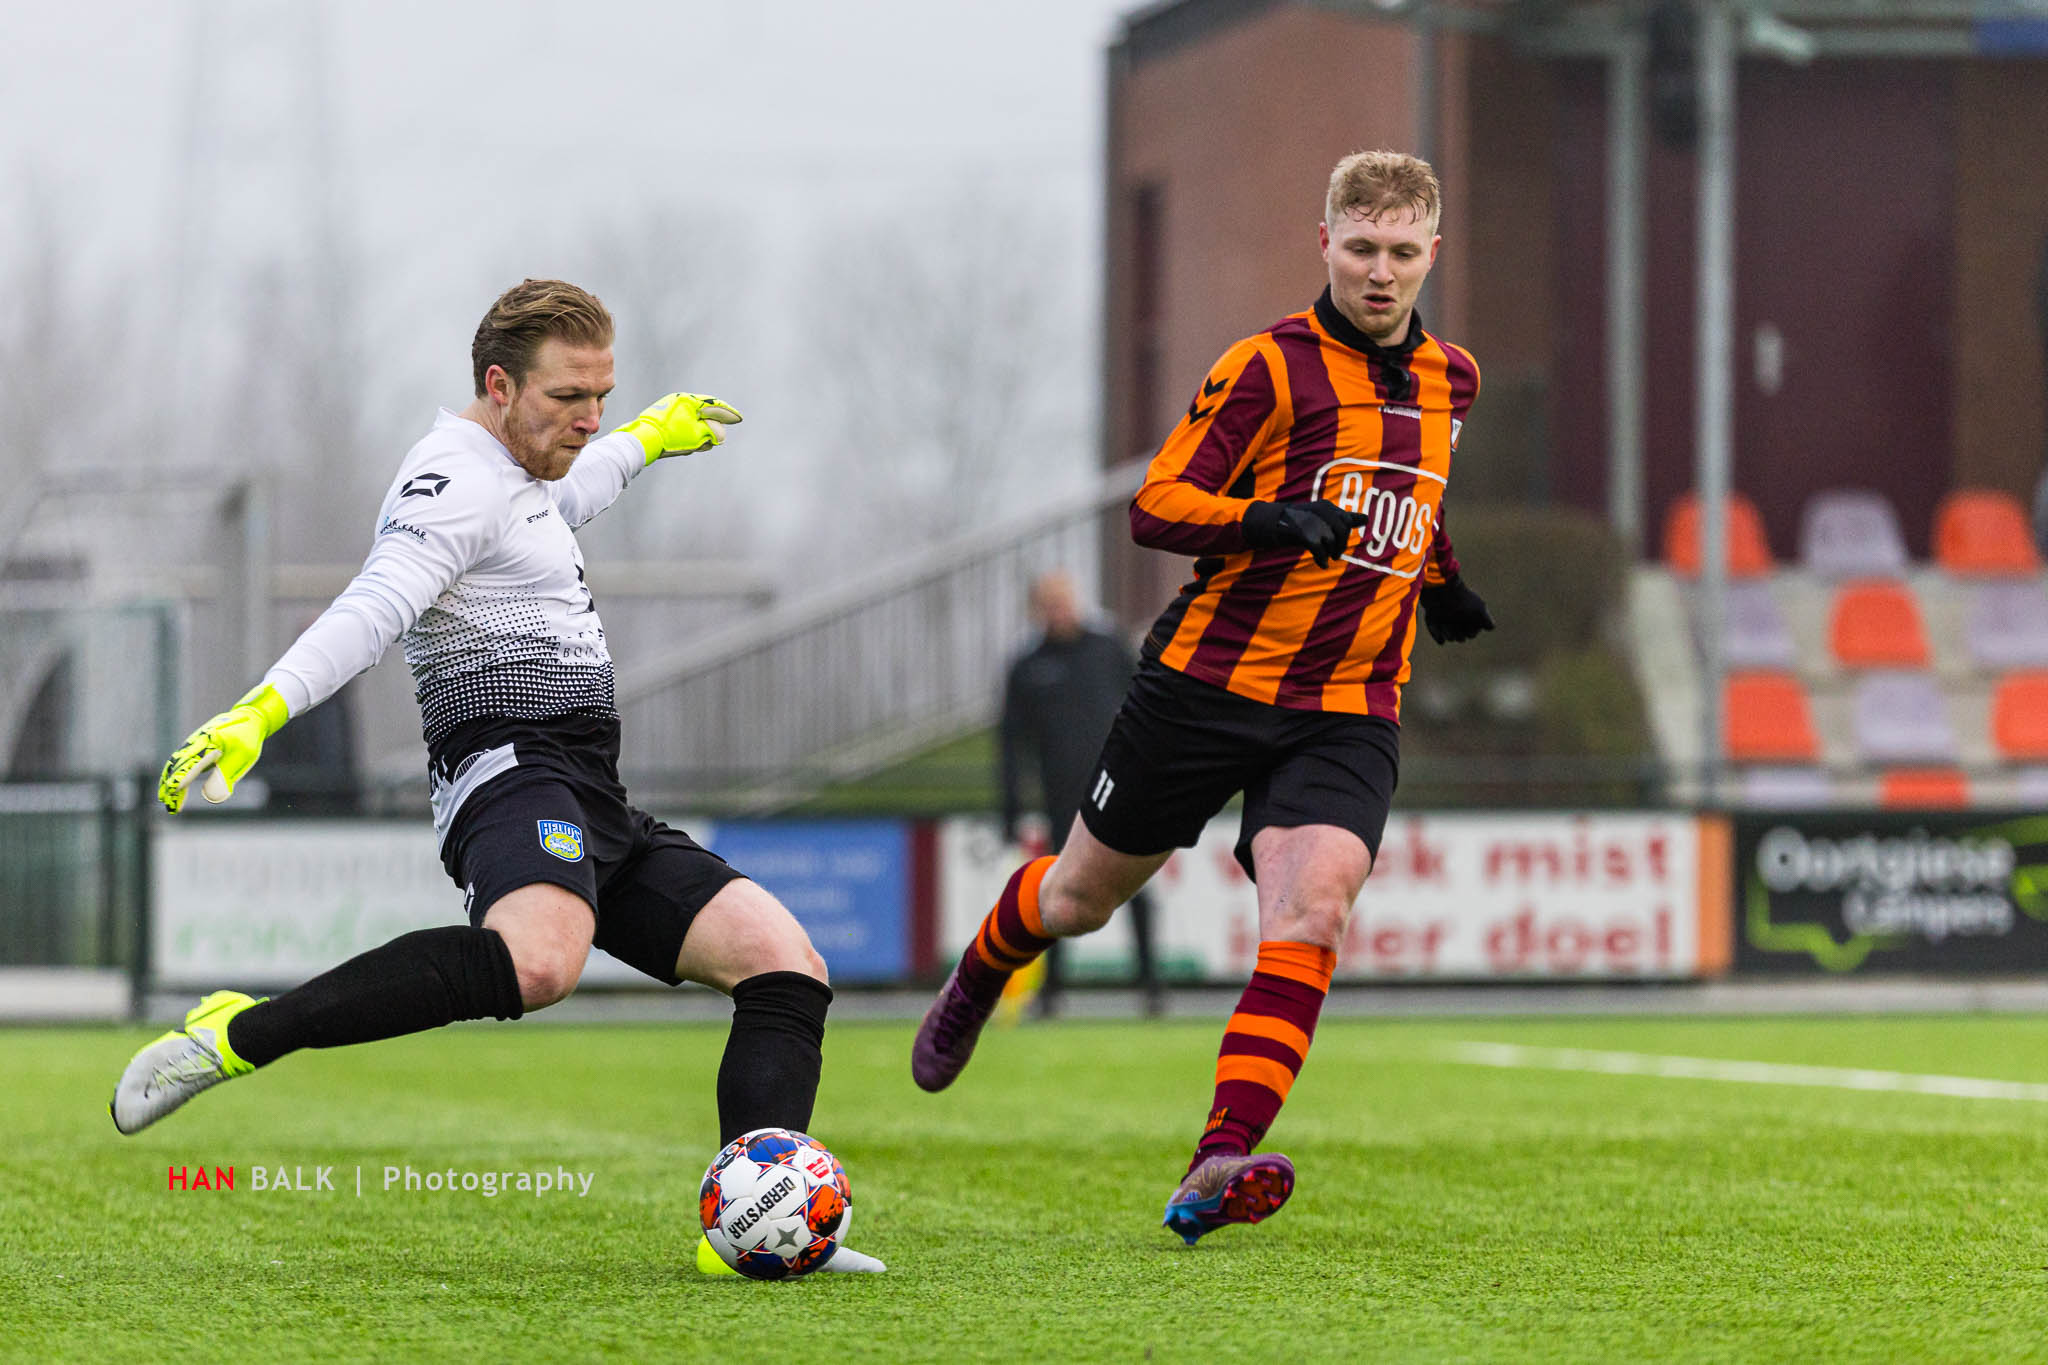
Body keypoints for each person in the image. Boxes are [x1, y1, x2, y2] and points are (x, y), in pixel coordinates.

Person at [112, 278, 882, 1275]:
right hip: (507, 774)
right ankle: (240, 1033)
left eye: (603, 393)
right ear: (497, 384)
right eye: (570, 398)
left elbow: (570, 491)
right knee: (538, 965)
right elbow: (376, 603)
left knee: (783, 965)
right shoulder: (451, 479)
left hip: (590, 792)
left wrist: (645, 439)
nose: (588, 417)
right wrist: (264, 708)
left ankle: (747, 1232)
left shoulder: (521, 470)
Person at [912, 151, 1494, 1246]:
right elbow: (1155, 503)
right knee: (1081, 899)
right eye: (1359, 249)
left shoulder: (1450, 378)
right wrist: (1267, 520)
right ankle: (987, 964)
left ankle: (1216, 1157)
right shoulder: (1268, 367)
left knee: (1313, 909)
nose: (1379, 273)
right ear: (1323, 242)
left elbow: (1412, 493)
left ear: (1431, 253)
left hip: (1348, 699)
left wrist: (1442, 582)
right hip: (1205, 685)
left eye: (1400, 253)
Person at [997, 571, 1162, 1016]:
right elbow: (1011, 744)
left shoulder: (1108, 649)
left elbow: (1147, 705)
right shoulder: (1027, 667)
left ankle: (1150, 986)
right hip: (1061, 801)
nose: (1059, 609)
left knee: (1135, 886)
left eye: (1064, 600)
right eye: (1049, 603)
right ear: (1037, 610)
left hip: (1119, 789)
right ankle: (1052, 991)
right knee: (1058, 892)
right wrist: (1010, 809)